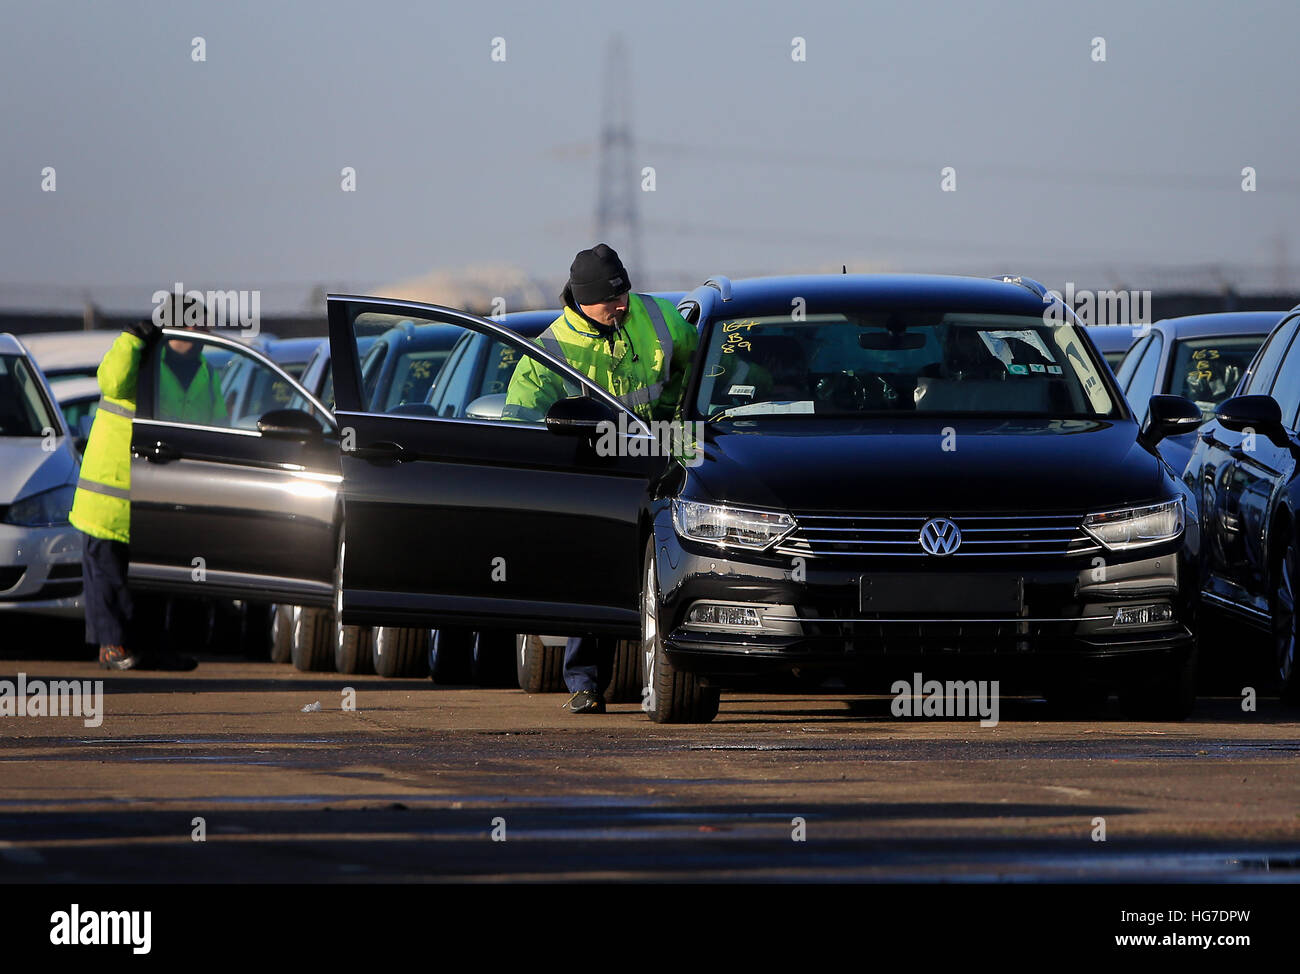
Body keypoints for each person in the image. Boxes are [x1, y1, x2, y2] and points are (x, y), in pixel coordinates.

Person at [504, 244, 697, 714]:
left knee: (664, 572)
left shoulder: (659, 317)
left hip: (662, 461)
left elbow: (700, 369)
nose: (622, 305)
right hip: (595, 472)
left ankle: (680, 673)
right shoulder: (549, 349)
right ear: (582, 300)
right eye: (611, 299)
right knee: (593, 573)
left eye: (625, 293)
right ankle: (585, 683)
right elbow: (519, 420)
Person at [70, 294, 217, 670]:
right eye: (197, 324)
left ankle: (152, 649)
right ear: (174, 327)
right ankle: (111, 647)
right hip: (111, 490)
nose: (204, 331)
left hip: (158, 494)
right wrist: (132, 338)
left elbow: (215, 426)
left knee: (152, 581)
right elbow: (112, 381)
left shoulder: (205, 371)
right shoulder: (140, 355)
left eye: (205, 325)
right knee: (108, 574)